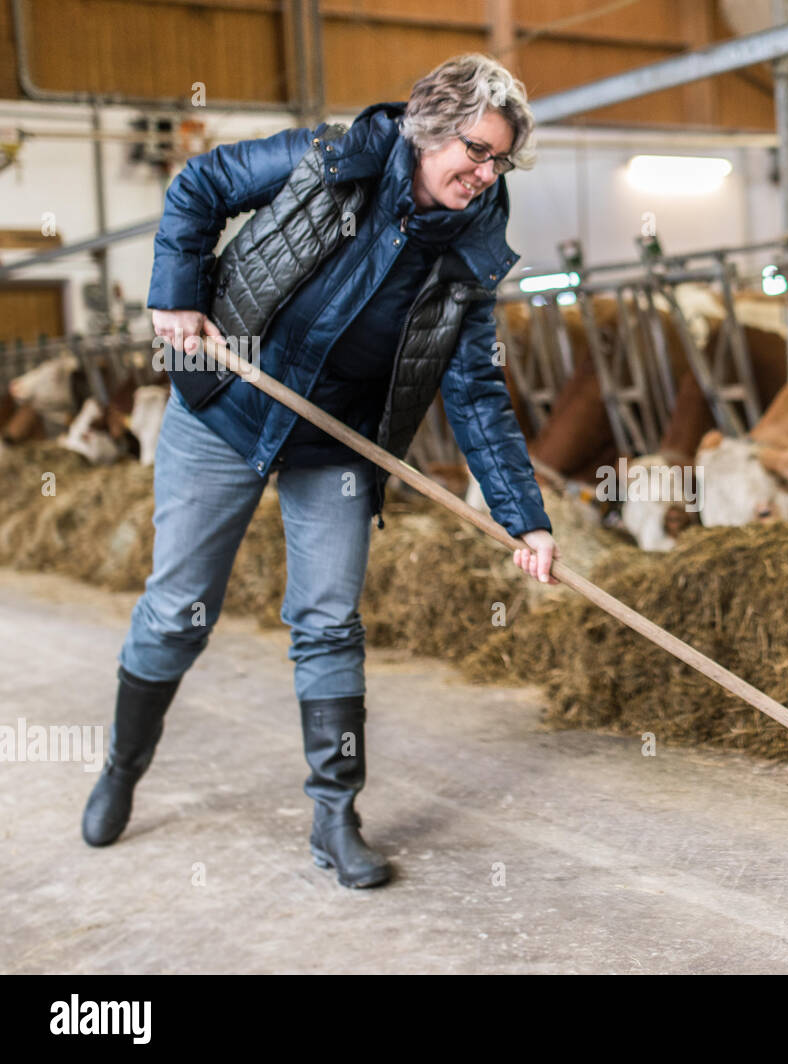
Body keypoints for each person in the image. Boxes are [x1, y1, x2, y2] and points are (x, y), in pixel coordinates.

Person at [80, 53, 557, 889]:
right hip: (226, 402)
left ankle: (337, 816)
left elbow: (475, 389)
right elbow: (200, 184)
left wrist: (526, 517)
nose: (485, 174)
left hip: (338, 440)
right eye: (475, 152)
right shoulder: (330, 157)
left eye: (499, 161)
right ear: (430, 129)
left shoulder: (471, 255)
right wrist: (175, 293)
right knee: (178, 611)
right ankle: (122, 766)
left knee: (330, 624)